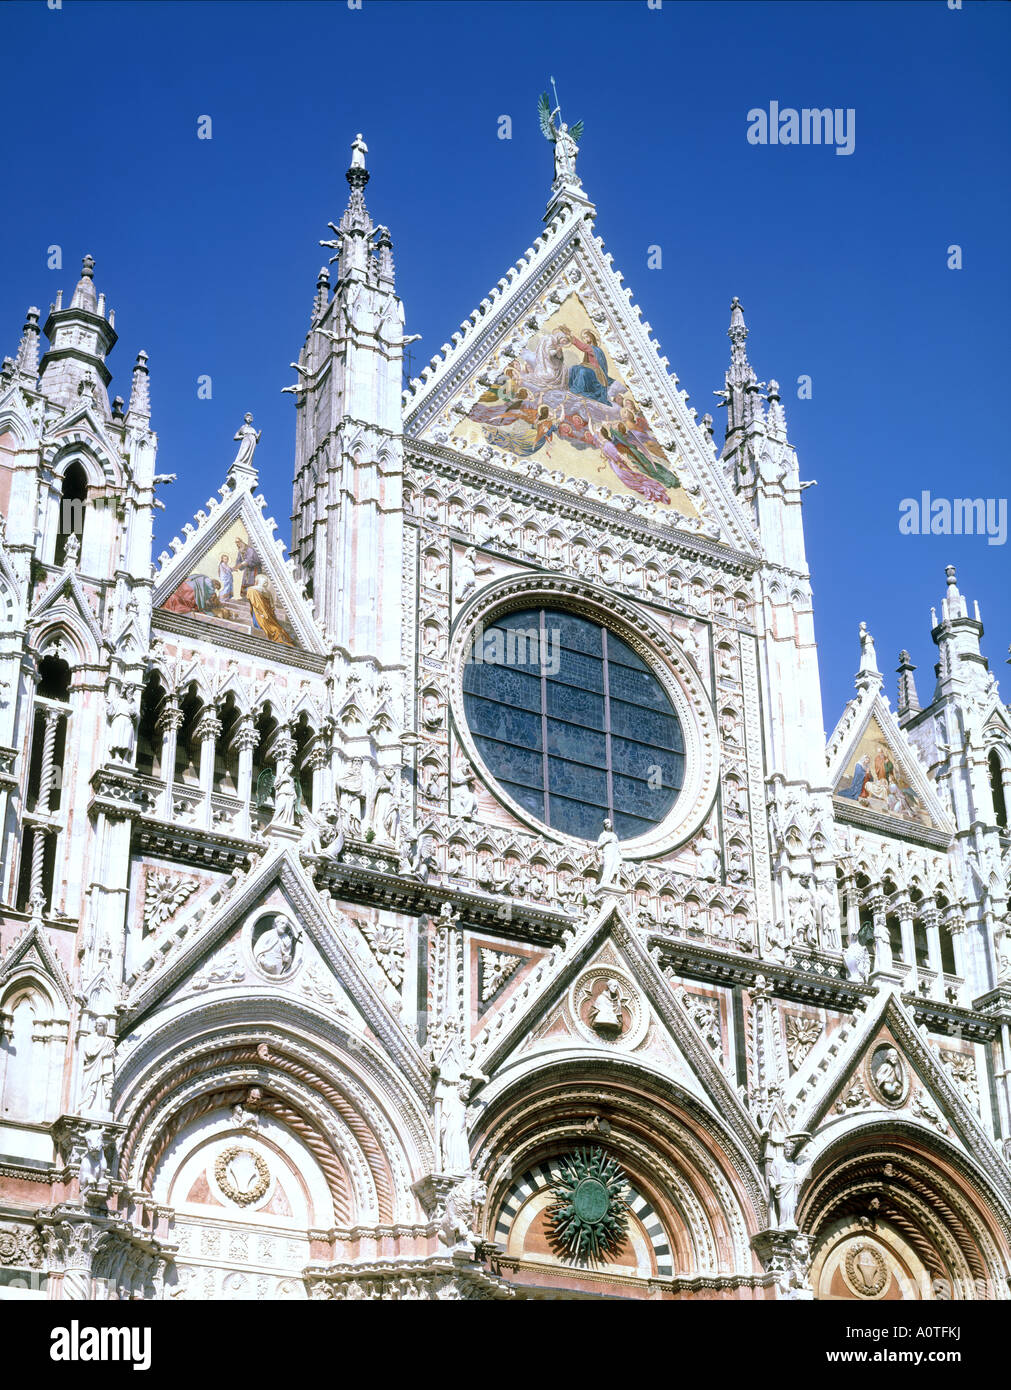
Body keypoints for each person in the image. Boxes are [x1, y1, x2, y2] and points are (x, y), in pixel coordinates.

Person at [247, 574, 294, 645]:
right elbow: (272, 607)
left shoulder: (251, 590)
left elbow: (255, 604)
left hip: (260, 615)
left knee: (274, 629)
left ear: (257, 581)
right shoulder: (267, 592)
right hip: (266, 616)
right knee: (277, 629)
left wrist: (264, 613)